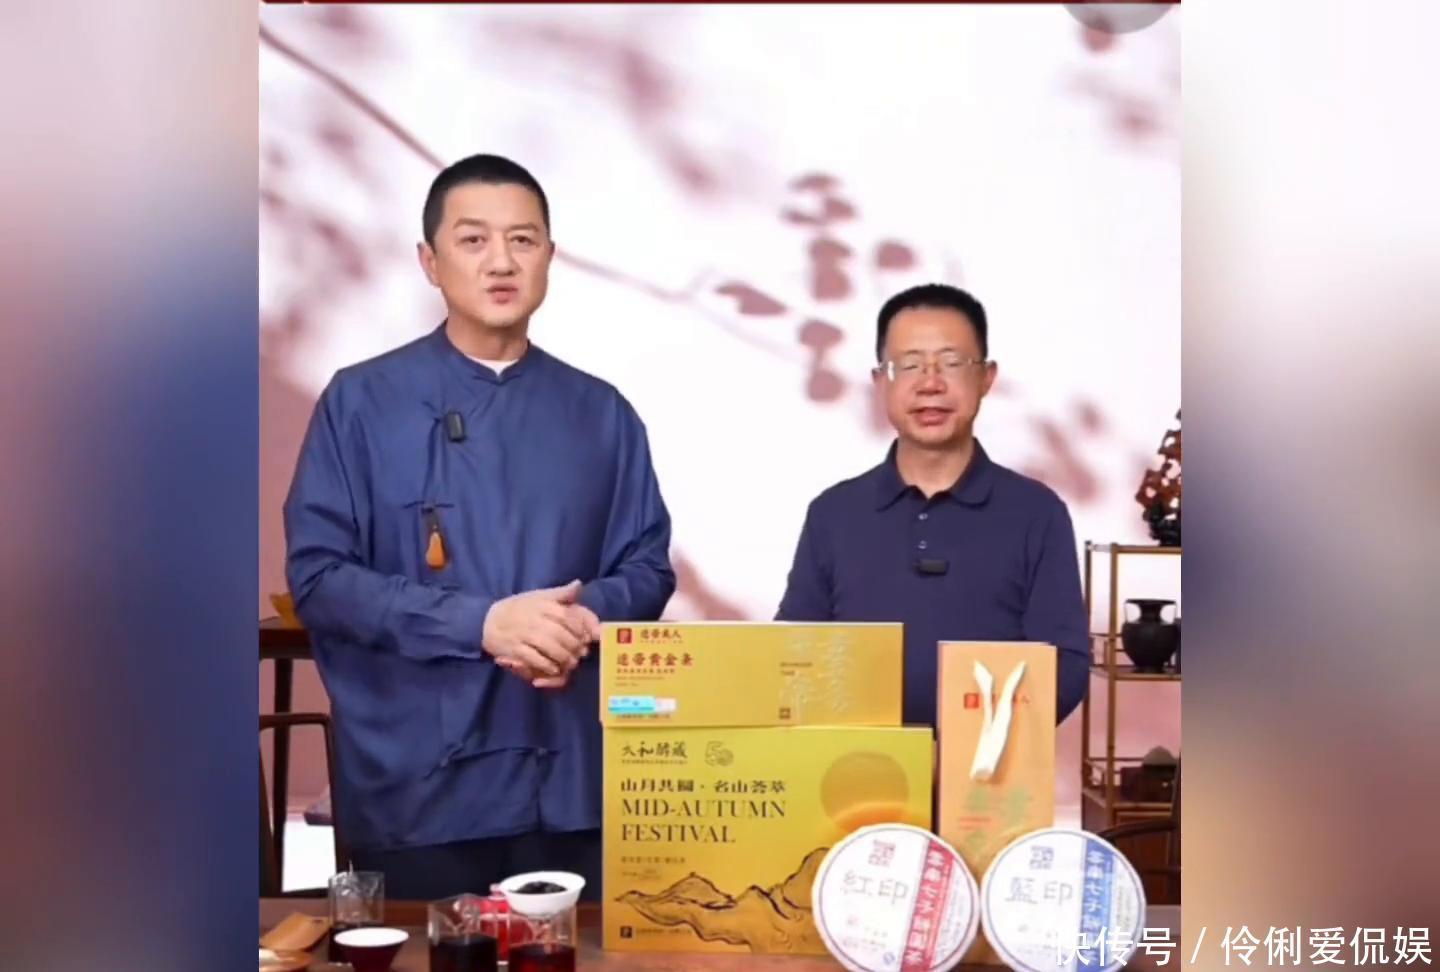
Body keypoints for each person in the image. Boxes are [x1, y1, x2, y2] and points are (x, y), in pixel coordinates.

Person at [284, 154, 675, 899]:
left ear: (550, 257)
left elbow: (648, 566)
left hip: (572, 785)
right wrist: (484, 625)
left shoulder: (602, 413)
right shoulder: (361, 402)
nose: (501, 261)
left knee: (577, 949)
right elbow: (321, 579)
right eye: (473, 240)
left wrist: (576, 622)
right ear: (430, 261)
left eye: (522, 240)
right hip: (420, 790)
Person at [776, 283, 1087, 725]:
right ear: (880, 381)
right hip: (856, 763)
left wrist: (973, 741)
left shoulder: (1037, 513)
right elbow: (791, 653)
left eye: (952, 363)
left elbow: (1065, 665)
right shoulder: (833, 513)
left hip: (991, 762)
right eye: (909, 365)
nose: (930, 384)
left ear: (986, 377)